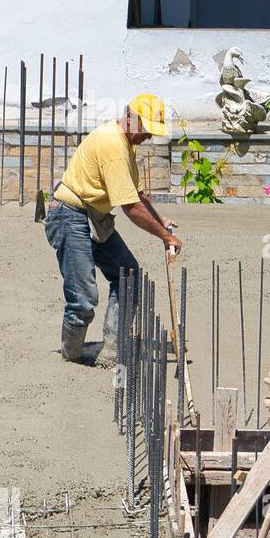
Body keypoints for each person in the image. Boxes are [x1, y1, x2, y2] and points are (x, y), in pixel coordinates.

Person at [44, 94, 183, 364]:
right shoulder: (113, 145)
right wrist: (165, 236)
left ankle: (110, 351)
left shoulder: (126, 144)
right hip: (69, 216)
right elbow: (130, 207)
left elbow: (138, 195)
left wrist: (160, 220)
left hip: (94, 216)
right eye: (147, 129)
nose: (149, 137)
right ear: (130, 117)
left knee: (128, 274)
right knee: (83, 298)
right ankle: (71, 357)